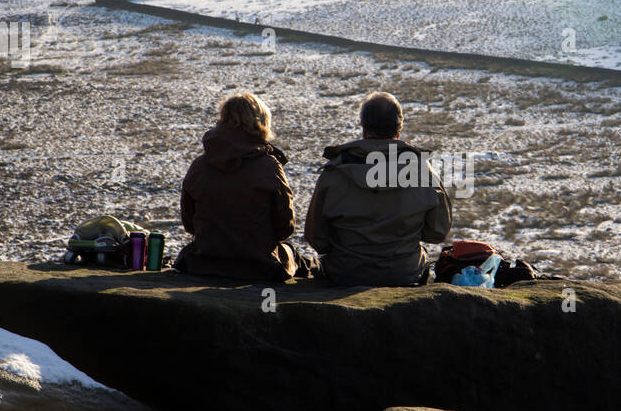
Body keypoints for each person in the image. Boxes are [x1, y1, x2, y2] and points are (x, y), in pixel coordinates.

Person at [305, 92, 452, 285]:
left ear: (363, 127)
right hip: (405, 274)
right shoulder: (422, 171)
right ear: (398, 130)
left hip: (345, 273)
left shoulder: (335, 172)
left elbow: (317, 238)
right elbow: (437, 233)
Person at [175, 92, 315, 280]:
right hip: (258, 266)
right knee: (299, 258)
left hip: (204, 262)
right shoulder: (269, 166)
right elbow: (285, 227)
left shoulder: (199, 166)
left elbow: (190, 224)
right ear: (261, 124)